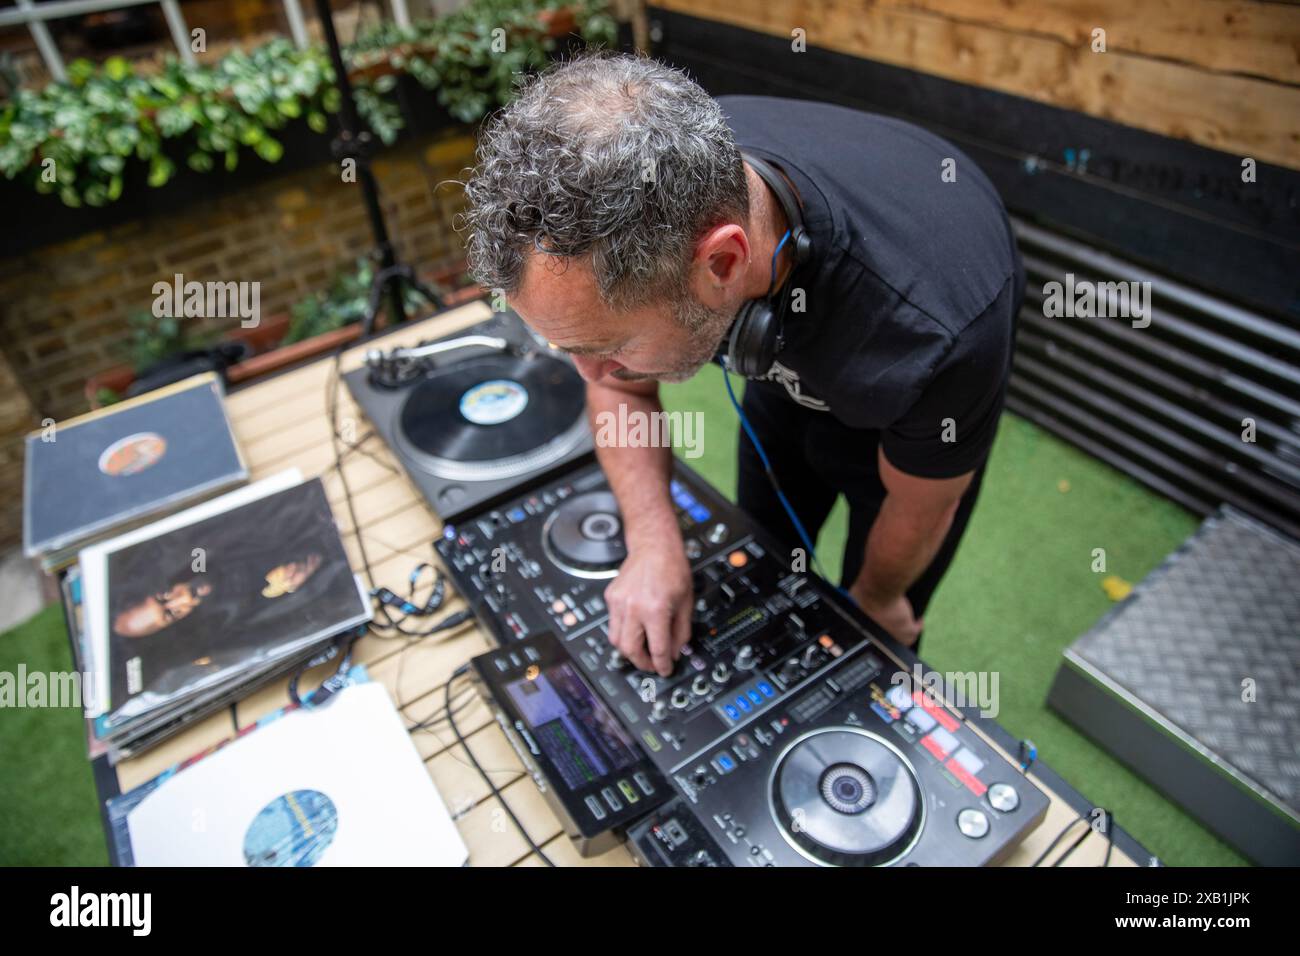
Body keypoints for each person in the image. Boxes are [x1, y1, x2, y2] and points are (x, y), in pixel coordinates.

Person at [464, 53, 1023, 676]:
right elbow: (623, 393)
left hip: (906, 390)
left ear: (723, 263)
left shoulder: (939, 328)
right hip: (782, 378)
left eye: (607, 347)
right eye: (569, 347)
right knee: (761, 555)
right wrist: (652, 542)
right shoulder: (666, 163)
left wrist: (876, 603)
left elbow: (922, 506)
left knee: (874, 624)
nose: (588, 377)